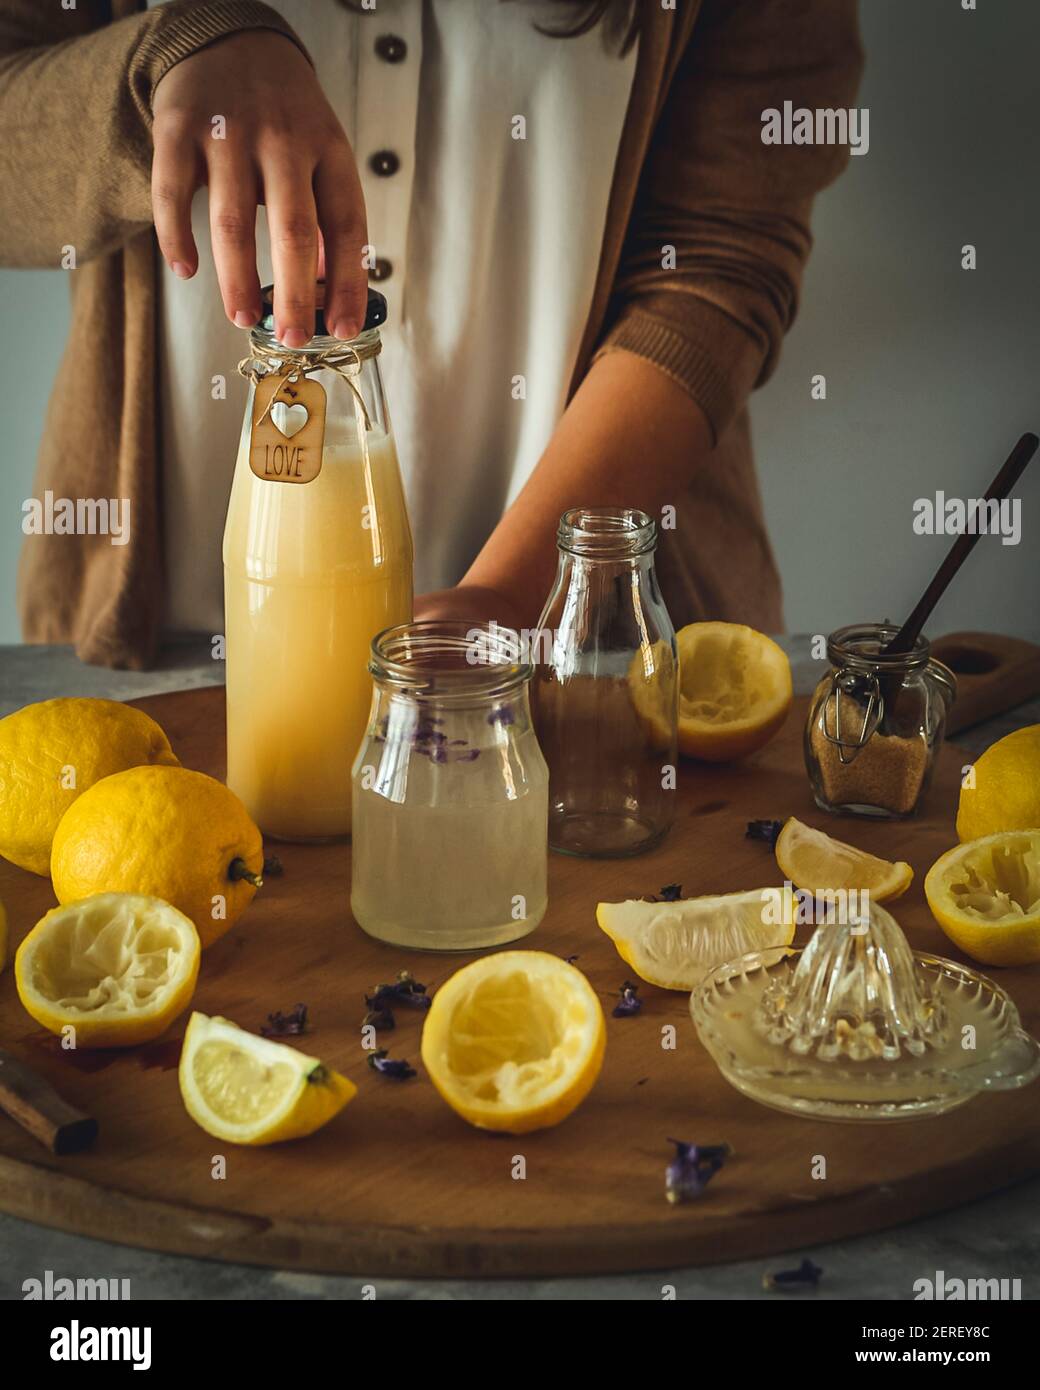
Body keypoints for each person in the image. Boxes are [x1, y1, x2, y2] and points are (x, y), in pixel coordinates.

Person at [0, 0, 862, 669]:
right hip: (169, 651)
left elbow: (717, 264)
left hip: (579, 650)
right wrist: (162, 57)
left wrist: (512, 593)